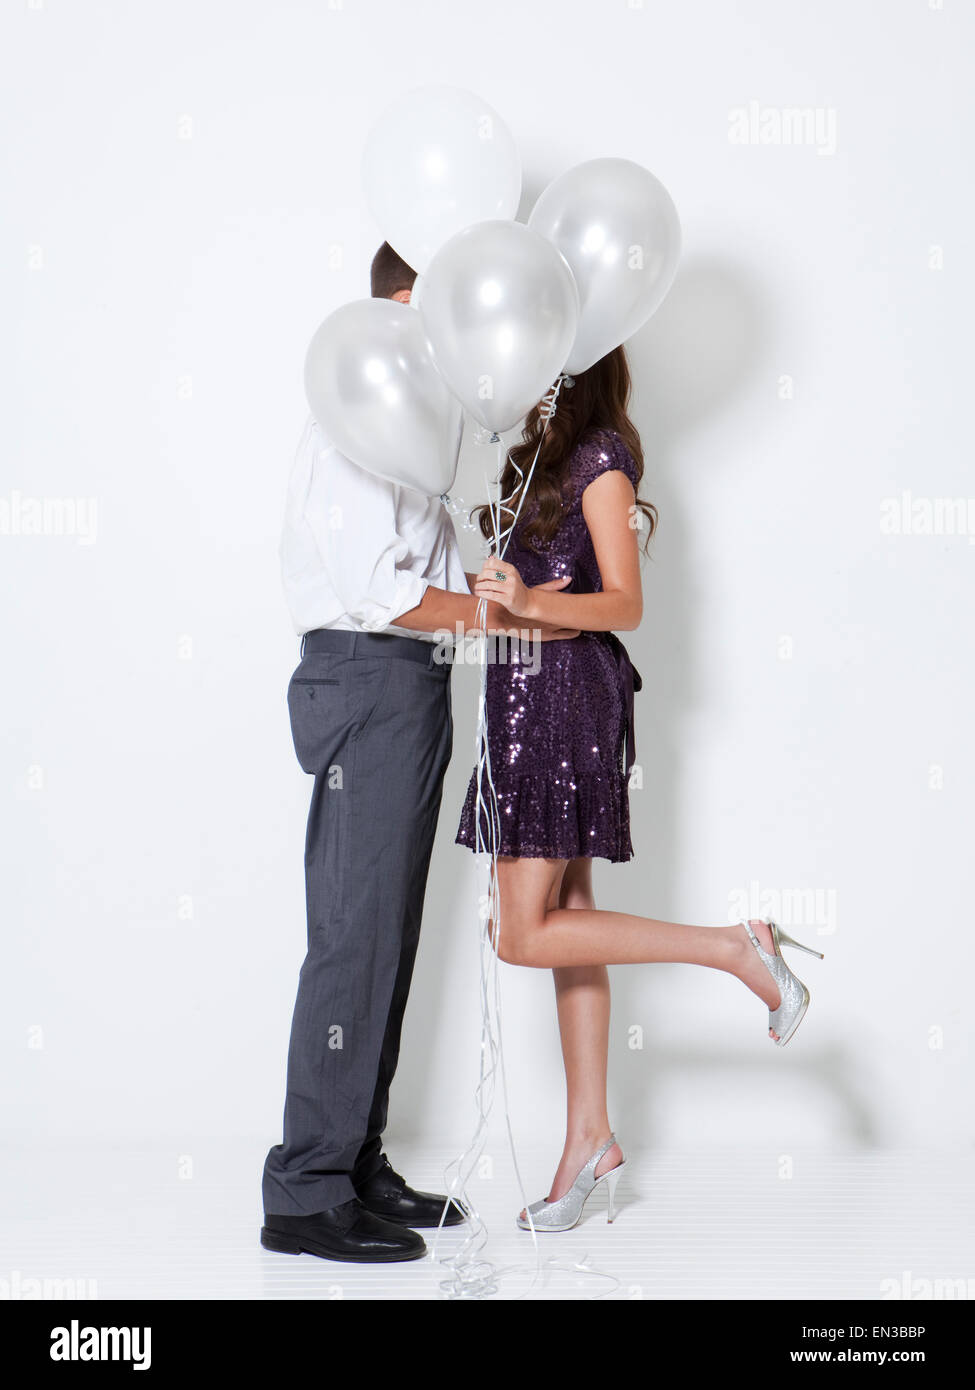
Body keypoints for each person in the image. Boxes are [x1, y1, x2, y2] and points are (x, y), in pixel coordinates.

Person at [455, 344, 825, 1233]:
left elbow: (624, 603)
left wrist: (531, 604)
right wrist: (502, 603)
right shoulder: (534, 456)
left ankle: (737, 948)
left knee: (520, 932)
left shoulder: (601, 458)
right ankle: (589, 1137)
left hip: (562, 700)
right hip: (525, 690)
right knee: (567, 921)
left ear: (570, 364)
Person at [261, 242, 581, 1264]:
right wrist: (503, 621)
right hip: (370, 672)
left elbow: (425, 574)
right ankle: (306, 1190)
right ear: (405, 303)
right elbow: (385, 590)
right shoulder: (359, 414)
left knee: (387, 932)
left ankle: (353, 1162)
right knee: (356, 934)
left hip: (405, 680)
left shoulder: (412, 429)